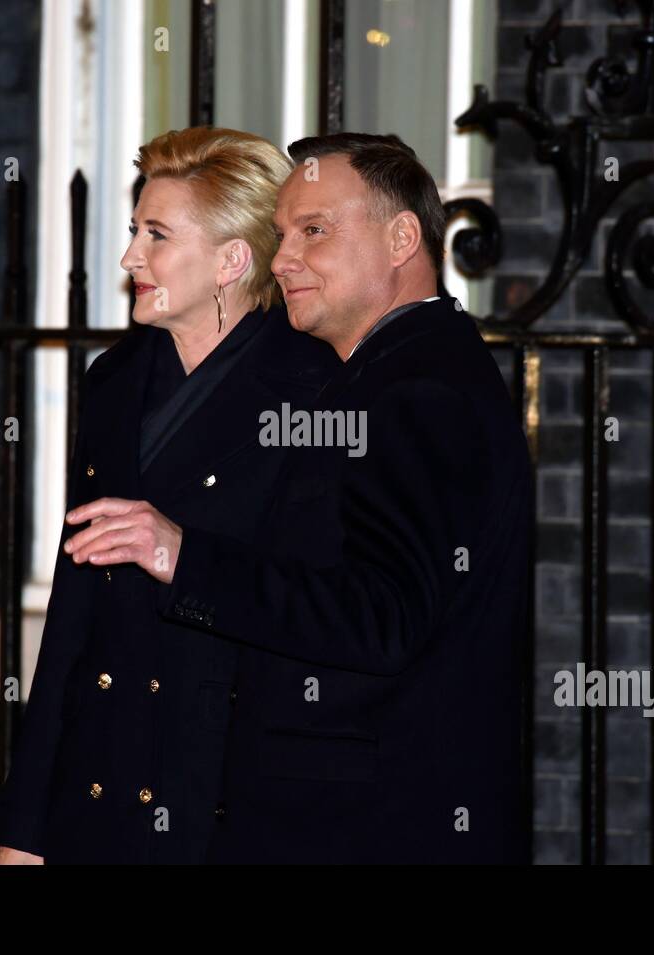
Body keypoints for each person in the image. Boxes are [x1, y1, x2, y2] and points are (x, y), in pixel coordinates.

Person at [67, 133, 533, 863]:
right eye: (283, 234)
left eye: (314, 230)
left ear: (401, 237)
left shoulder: (420, 391)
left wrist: (184, 557)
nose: (283, 258)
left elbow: (383, 617)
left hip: (375, 830)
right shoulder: (380, 376)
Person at [0, 127, 338, 863]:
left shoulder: (315, 390)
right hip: (101, 787)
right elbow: (71, 618)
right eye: (132, 231)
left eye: (156, 235)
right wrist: (21, 833)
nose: (129, 259)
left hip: (226, 795)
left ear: (231, 261)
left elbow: (321, 609)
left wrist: (182, 552)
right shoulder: (114, 384)